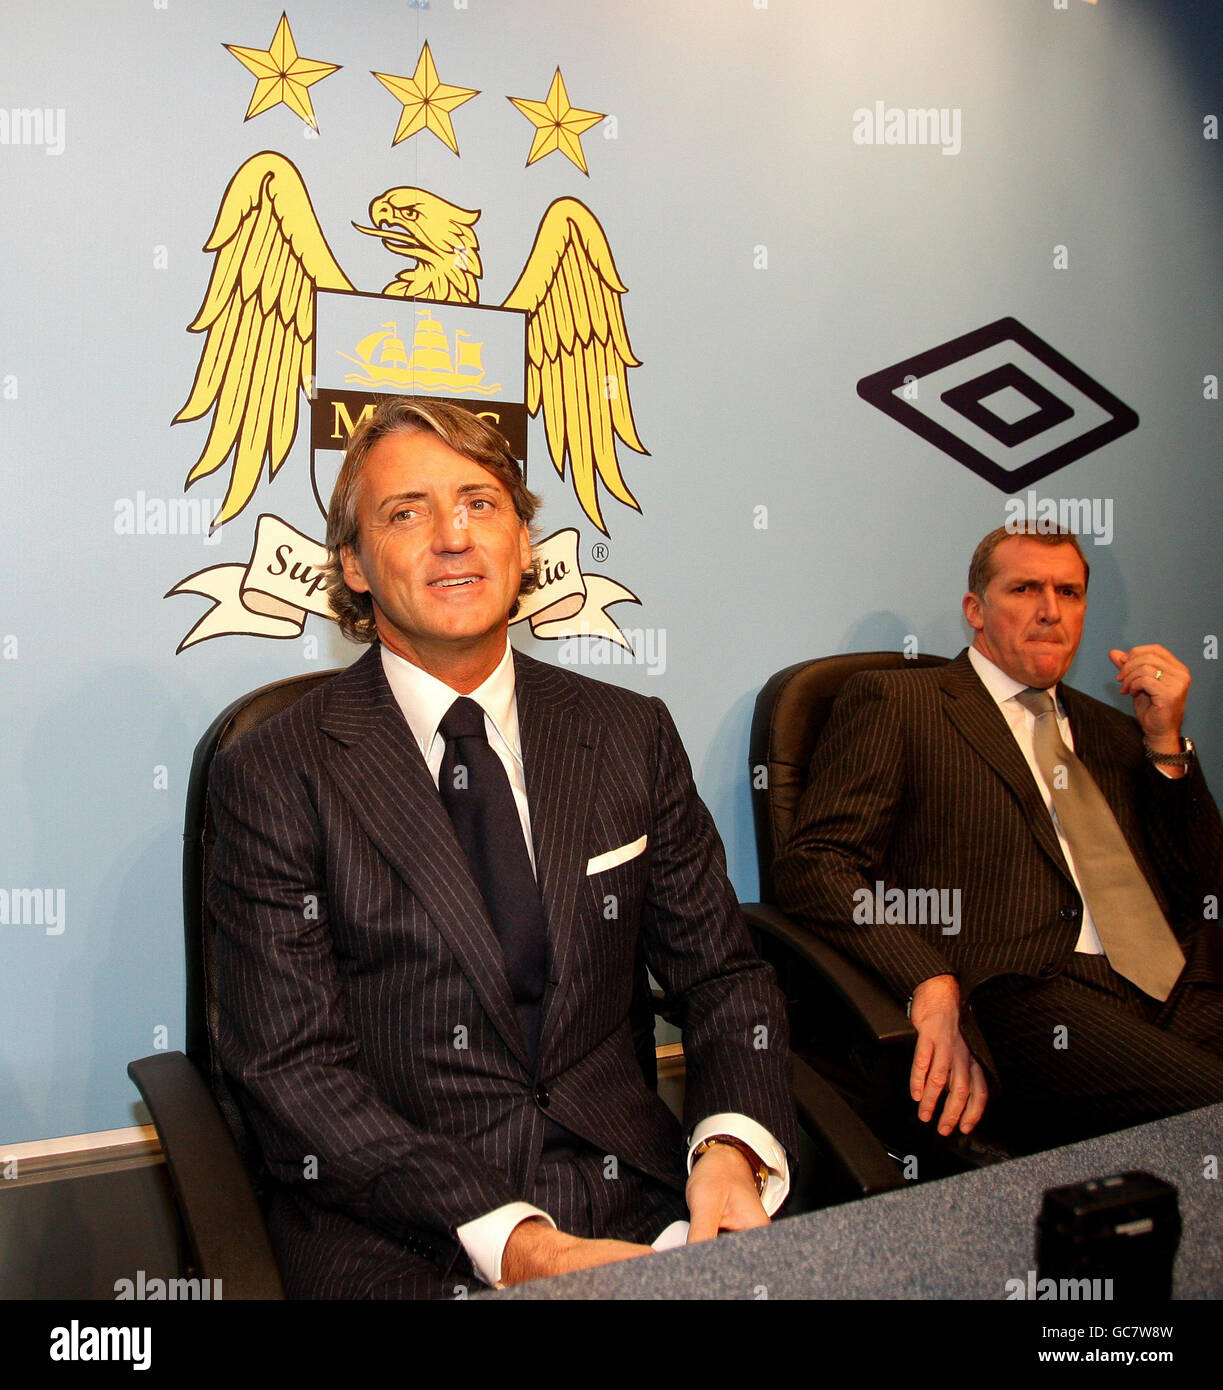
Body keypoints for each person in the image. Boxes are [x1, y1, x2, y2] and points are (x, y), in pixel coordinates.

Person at [208, 397, 797, 1298]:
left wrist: (725, 1146)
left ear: (523, 546)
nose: (453, 536)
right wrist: (519, 1244)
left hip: (637, 1199)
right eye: (406, 513)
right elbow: (292, 1068)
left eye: (481, 504)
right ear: (353, 567)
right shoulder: (275, 770)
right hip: (404, 1228)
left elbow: (723, 979)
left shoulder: (627, 733)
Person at [774, 524, 1223, 1150]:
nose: (1050, 610)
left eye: (1069, 593)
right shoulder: (902, 703)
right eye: (1025, 589)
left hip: (1181, 988)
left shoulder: (1120, 733)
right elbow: (817, 864)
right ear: (975, 610)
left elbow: (1201, 888)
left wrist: (1166, 746)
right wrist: (928, 981)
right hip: (1028, 993)